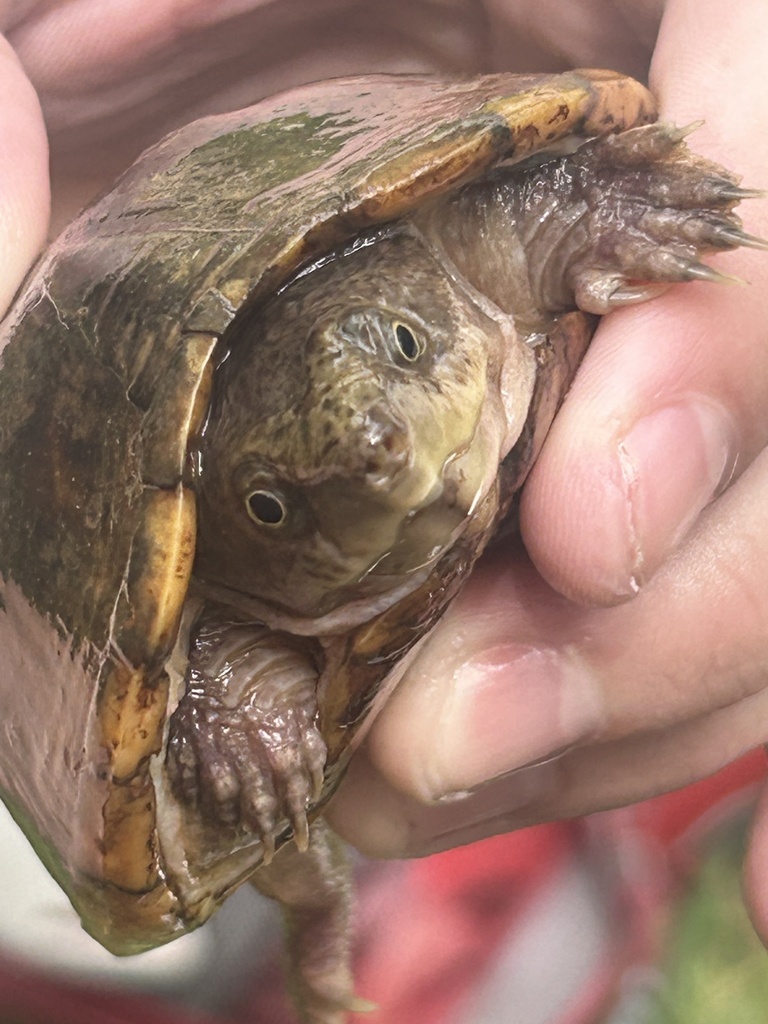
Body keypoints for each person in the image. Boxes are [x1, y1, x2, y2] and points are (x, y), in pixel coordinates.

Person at [3, 0, 768, 941]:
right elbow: (177, 686)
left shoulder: (473, 243)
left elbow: (559, 190)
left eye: (403, 346)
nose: (381, 455)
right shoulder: (238, 641)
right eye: (274, 508)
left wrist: (610, 203)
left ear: (408, 300)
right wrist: (229, 710)